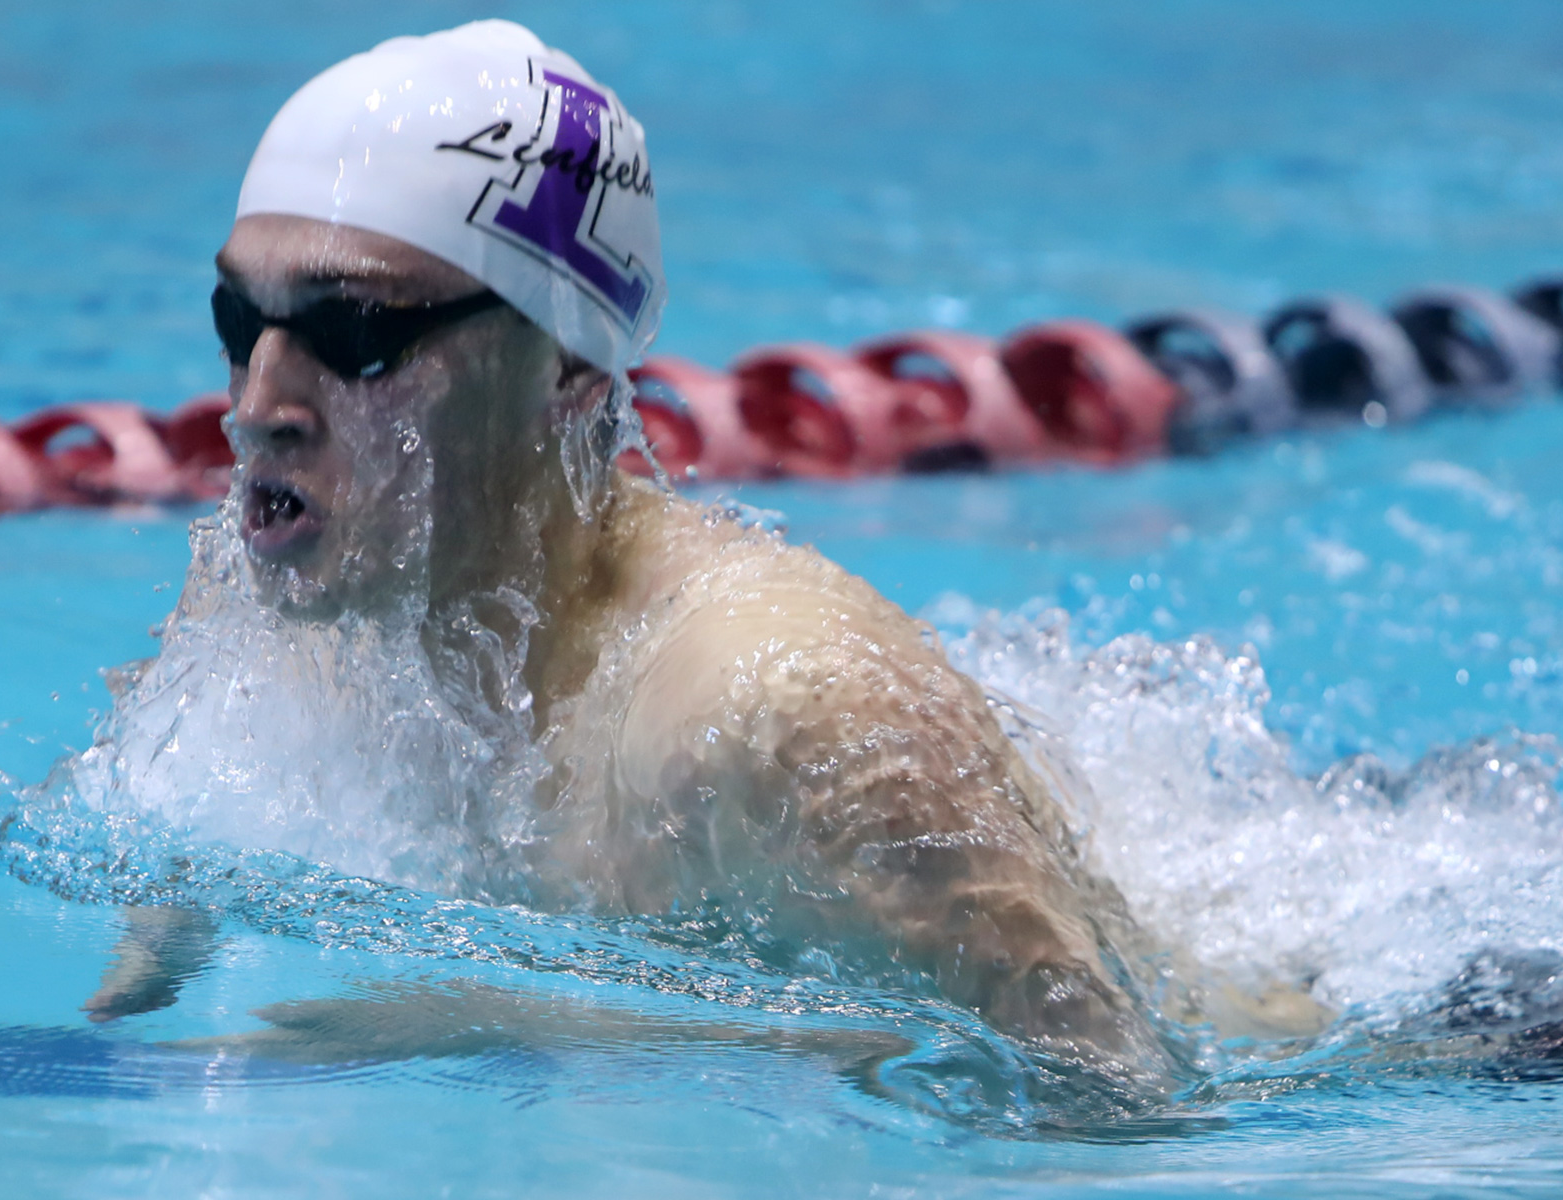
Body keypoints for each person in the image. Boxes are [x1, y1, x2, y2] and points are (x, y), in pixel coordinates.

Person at [81, 20, 1322, 1093]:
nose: (256, 405)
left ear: (567, 369)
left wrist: (509, 1023)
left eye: (353, 333)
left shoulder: (782, 713)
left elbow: (1114, 1090)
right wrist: (140, 986)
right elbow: (171, 848)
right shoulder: (264, 582)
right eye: (241, 320)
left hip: (1375, 1025)